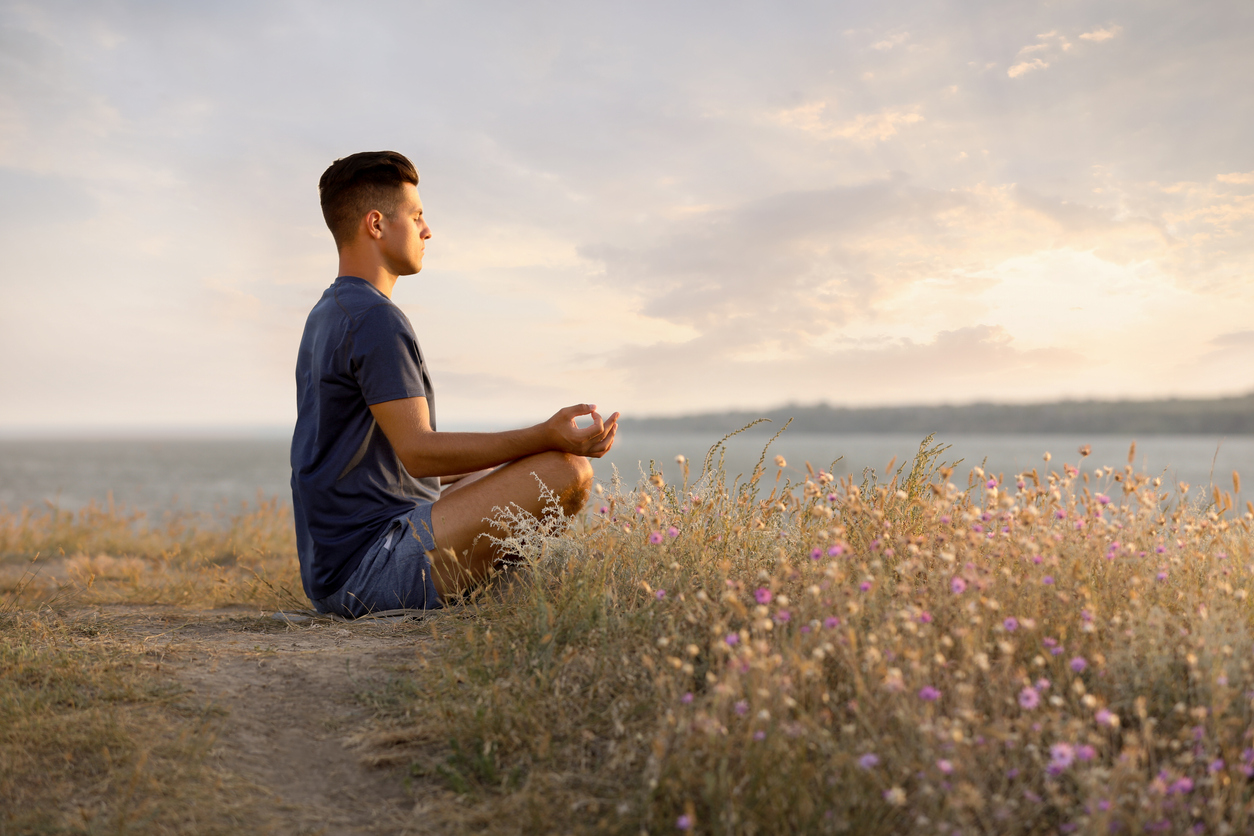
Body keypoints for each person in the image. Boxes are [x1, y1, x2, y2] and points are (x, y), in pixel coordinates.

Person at [290, 151, 618, 618]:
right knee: (565, 473)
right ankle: (511, 599)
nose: (427, 230)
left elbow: (389, 465)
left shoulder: (329, 313)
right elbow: (419, 453)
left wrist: (530, 448)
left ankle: (507, 585)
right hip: (369, 571)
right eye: (417, 216)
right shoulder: (374, 318)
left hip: (333, 573)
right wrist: (545, 436)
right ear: (377, 224)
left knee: (519, 467)